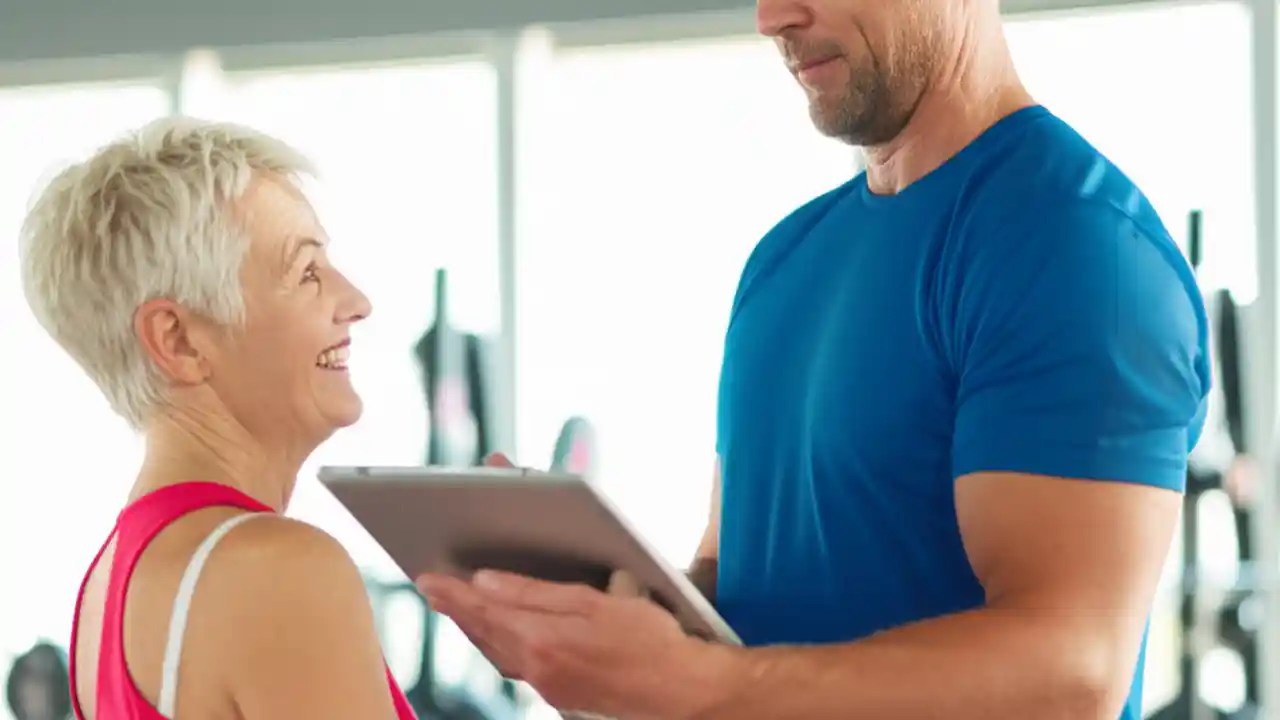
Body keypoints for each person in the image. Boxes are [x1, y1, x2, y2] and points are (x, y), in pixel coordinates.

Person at [418, 0, 1209, 718]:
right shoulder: (783, 261)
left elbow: (1072, 677)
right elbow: (735, 579)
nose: (771, 17)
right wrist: (594, 619)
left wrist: (702, 689)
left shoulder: (1074, 246)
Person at [20, 118, 418, 719]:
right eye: (306, 272)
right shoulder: (279, 573)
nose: (355, 302)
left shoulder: (106, 587)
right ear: (178, 340)